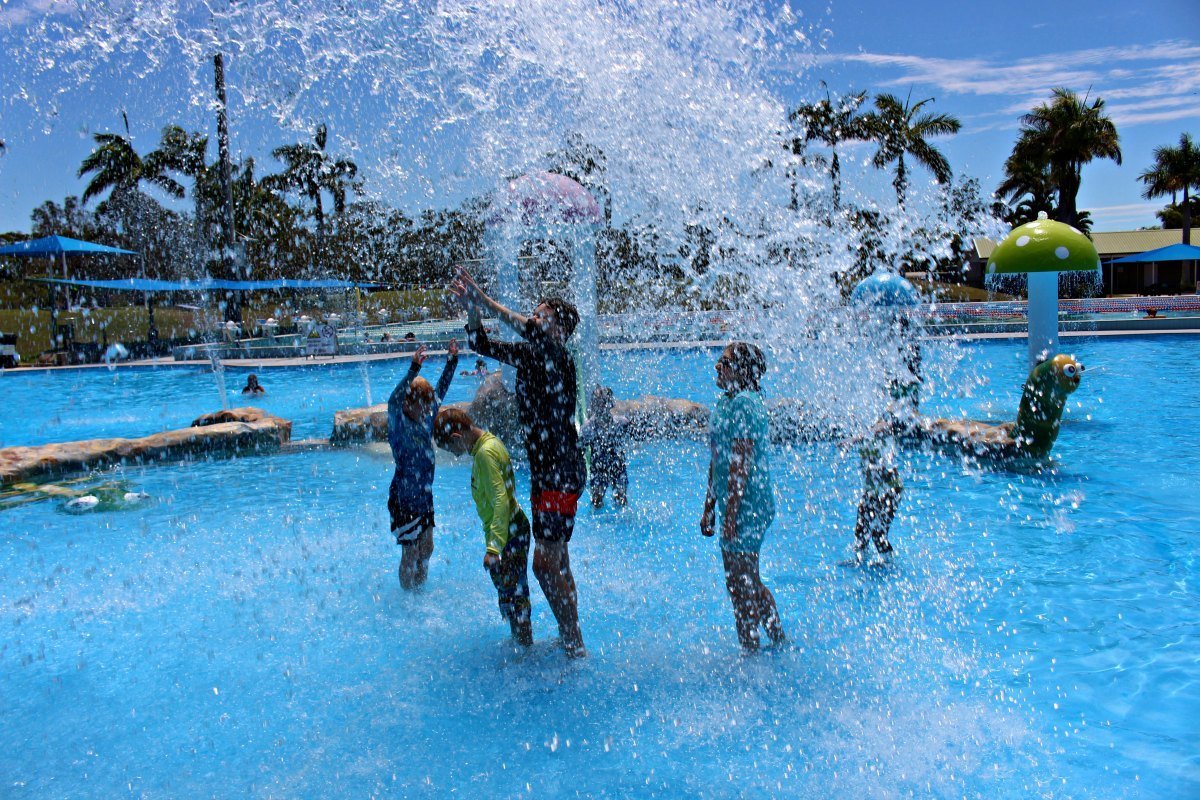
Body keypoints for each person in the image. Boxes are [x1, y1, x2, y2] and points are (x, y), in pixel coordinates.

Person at [450, 266, 588, 657]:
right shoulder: (531, 356)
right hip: (549, 471)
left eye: (542, 316)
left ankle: (572, 638)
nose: (534, 319)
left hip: (559, 471)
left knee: (545, 564)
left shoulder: (557, 355)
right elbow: (480, 343)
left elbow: (530, 329)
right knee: (557, 558)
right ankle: (571, 637)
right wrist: (473, 310)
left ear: (558, 329)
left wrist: (485, 300)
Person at [701, 342, 785, 653]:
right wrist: (709, 506)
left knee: (743, 581)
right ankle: (773, 638)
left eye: (724, 363)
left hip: (749, 505)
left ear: (742, 371)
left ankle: (752, 650)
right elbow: (717, 459)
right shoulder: (726, 403)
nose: (717, 367)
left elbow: (740, 462)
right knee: (738, 579)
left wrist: (732, 515)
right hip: (730, 503)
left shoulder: (746, 404)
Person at [433, 407, 533, 647]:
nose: (456, 456)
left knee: (514, 598)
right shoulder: (490, 442)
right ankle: (520, 645)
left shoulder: (484, 455)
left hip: (508, 534)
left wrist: (494, 547)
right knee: (512, 594)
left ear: (457, 437)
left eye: (451, 449)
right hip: (512, 530)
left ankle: (525, 652)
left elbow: (500, 502)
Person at [387, 340, 459, 590]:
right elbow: (392, 401)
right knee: (410, 552)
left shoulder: (425, 420)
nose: (430, 408)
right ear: (409, 404)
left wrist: (452, 362)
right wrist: (413, 370)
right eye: (424, 403)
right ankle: (407, 599)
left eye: (429, 404)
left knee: (427, 548)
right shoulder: (399, 424)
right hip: (404, 500)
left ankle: (419, 592)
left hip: (424, 499)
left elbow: (441, 391)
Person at [847, 412, 903, 565]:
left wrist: (860, 436)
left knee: (879, 534)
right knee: (860, 529)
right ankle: (860, 561)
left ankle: (888, 563)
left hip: (890, 491)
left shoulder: (880, 428)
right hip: (873, 491)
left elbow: (887, 426)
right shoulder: (864, 434)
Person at [579, 385, 629, 509]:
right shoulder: (588, 428)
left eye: (603, 403)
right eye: (598, 403)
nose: (600, 407)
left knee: (620, 500)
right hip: (599, 470)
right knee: (597, 501)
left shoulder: (621, 423)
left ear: (610, 404)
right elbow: (579, 451)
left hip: (617, 467)